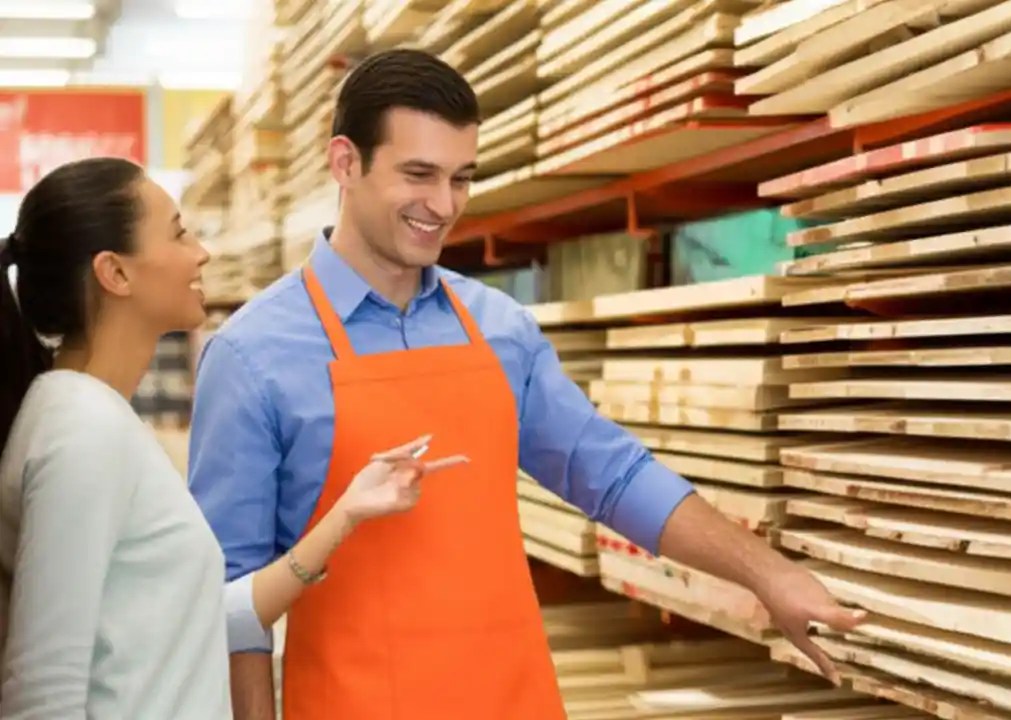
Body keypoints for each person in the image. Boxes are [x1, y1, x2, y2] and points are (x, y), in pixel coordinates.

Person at [187, 48, 866, 720]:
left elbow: (613, 474)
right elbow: (234, 604)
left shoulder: (499, 329)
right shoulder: (253, 356)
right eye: (419, 174)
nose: (443, 205)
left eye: (462, 178)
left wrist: (769, 575)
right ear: (346, 163)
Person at [0, 158, 466, 718]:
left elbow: (187, 625)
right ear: (115, 273)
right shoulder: (82, 431)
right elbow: (43, 688)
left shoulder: (97, 417)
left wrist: (345, 515)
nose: (202, 252)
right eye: (177, 233)